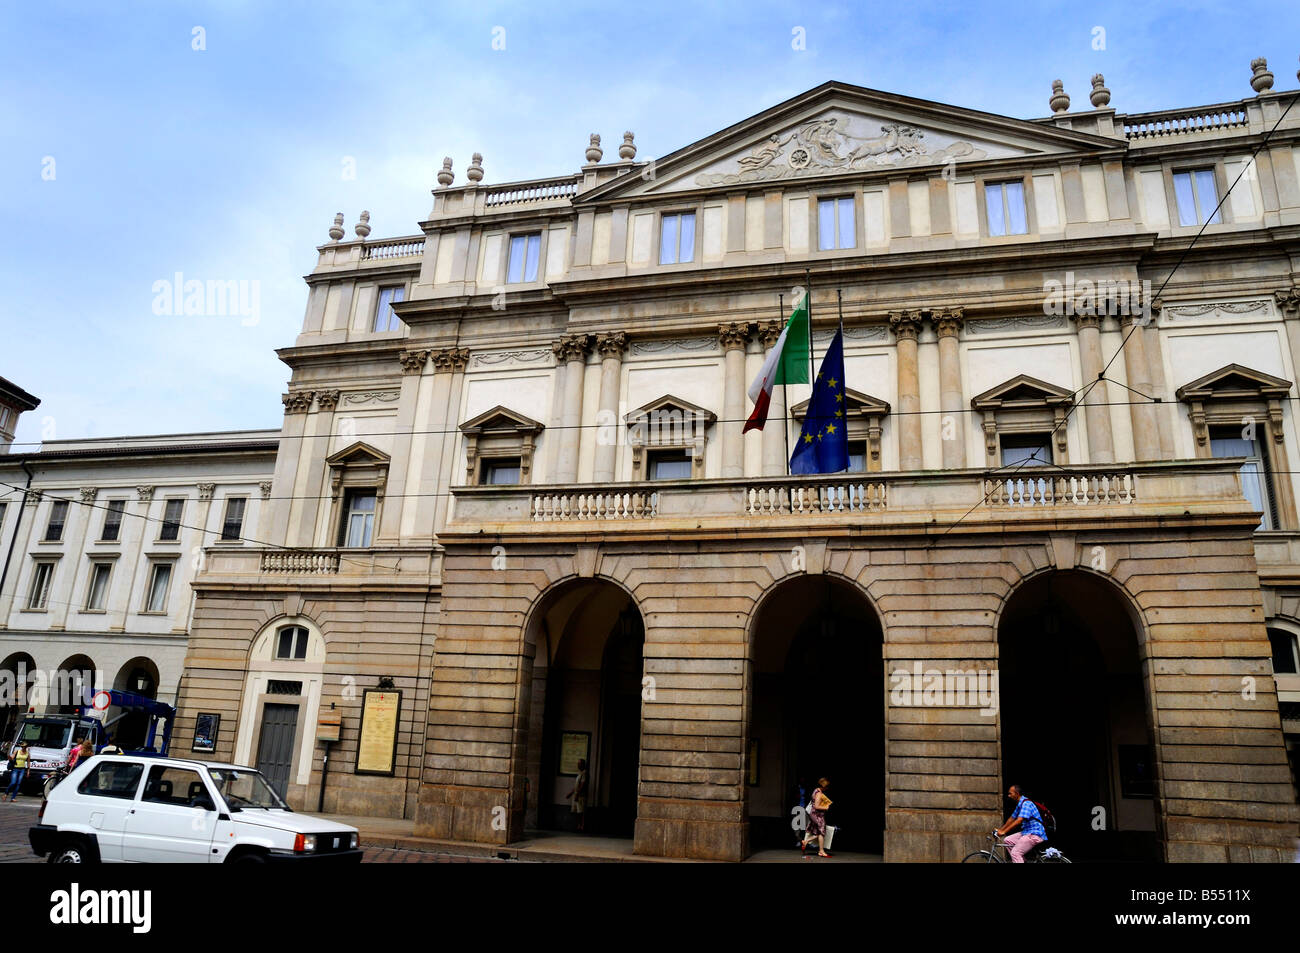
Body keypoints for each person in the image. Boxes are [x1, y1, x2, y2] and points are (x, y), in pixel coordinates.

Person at [995, 783, 1047, 863]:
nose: (1008, 796)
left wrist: (1004, 831)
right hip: (1027, 832)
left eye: (1010, 793)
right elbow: (1012, 818)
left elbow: (1019, 820)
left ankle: (1018, 859)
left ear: (1017, 794)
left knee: (1015, 853)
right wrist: (1000, 830)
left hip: (1035, 834)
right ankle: (1021, 861)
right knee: (1007, 840)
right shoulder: (1020, 804)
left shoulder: (1026, 804)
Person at [800, 777, 833, 858]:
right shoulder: (819, 793)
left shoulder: (816, 790)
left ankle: (807, 842)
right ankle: (821, 851)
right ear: (823, 786)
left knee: (819, 832)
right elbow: (817, 806)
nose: (827, 788)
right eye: (827, 786)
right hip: (816, 814)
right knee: (821, 831)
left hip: (815, 814)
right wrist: (826, 808)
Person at [568, 759, 588, 833]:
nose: (578, 765)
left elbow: (582, 785)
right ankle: (579, 826)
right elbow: (576, 786)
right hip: (576, 795)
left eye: (579, 763)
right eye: (578, 763)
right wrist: (571, 793)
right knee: (577, 812)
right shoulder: (579, 773)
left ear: (583, 764)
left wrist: (577, 794)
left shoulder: (584, 773)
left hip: (581, 796)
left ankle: (582, 827)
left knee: (581, 812)